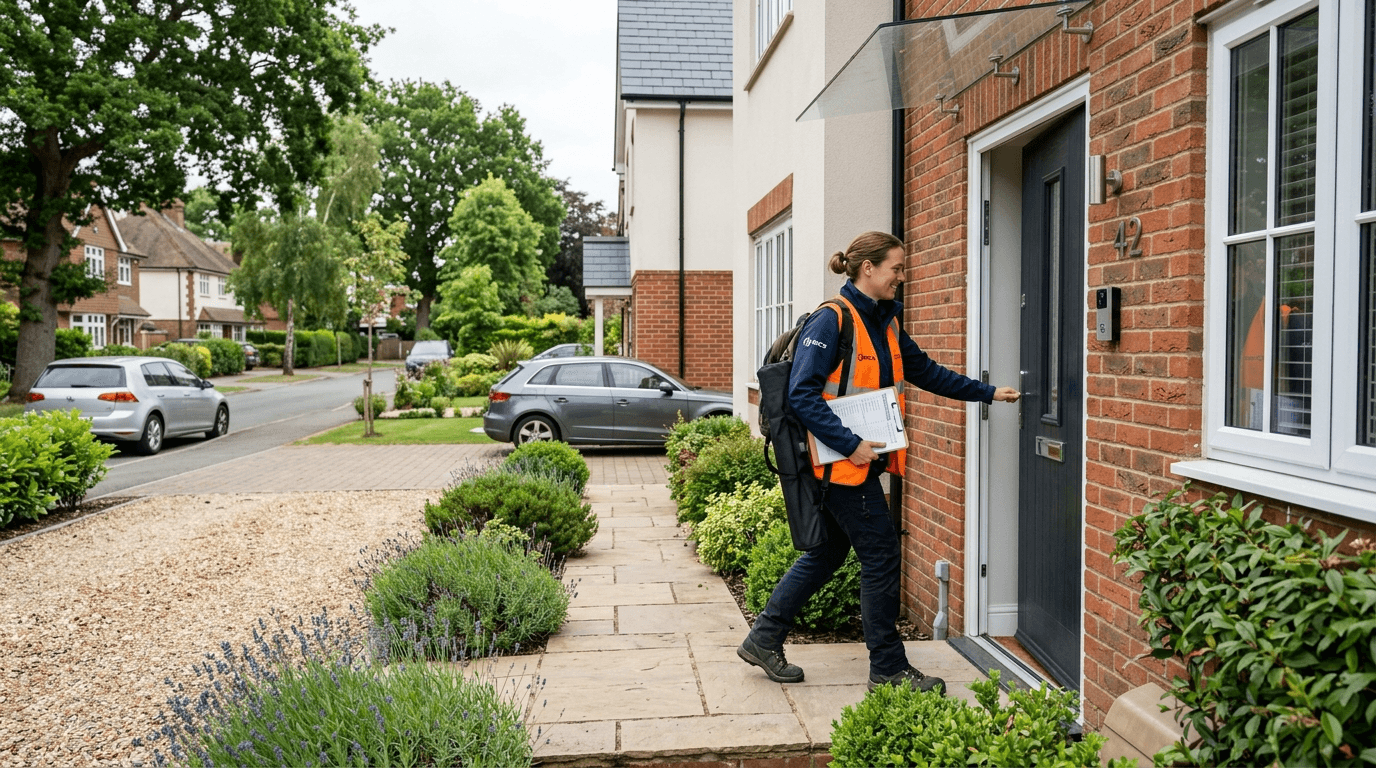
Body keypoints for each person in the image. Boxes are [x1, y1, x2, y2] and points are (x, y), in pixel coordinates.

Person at [737, 231, 1021, 693]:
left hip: (854, 463)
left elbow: (925, 370)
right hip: (842, 466)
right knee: (883, 558)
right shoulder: (832, 321)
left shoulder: (884, 321)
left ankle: (763, 637)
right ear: (867, 268)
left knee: (827, 553)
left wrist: (987, 392)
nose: (902, 278)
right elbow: (801, 395)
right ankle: (888, 669)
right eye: (897, 268)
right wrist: (851, 444)